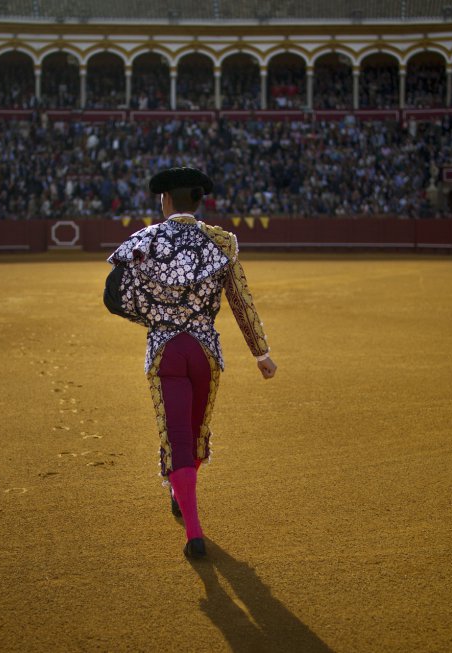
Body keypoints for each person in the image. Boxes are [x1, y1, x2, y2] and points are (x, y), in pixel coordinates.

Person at [105, 166, 277, 559]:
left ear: (164, 200)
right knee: (197, 434)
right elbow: (241, 301)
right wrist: (261, 353)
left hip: (166, 348)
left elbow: (115, 297)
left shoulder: (142, 242)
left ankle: (193, 533)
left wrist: (153, 316)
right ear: (199, 202)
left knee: (177, 438)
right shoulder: (221, 242)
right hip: (205, 351)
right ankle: (180, 493)